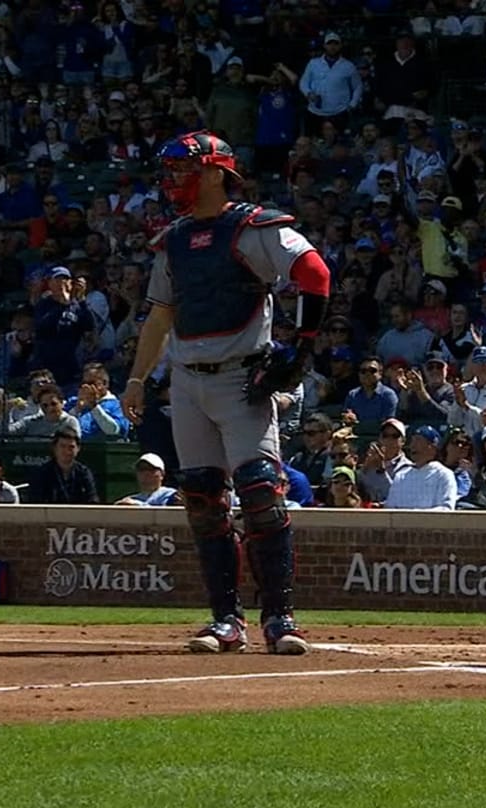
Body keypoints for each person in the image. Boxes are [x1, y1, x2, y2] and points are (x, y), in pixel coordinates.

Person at [119, 130, 332, 656]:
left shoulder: (254, 228)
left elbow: (314, 273)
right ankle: (225, 620)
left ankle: (280, 617)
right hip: (188, 380)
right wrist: (137, 377)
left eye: (182, 170)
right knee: (202, 500)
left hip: (241, 376)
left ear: (215, 171)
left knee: (261, 493)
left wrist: (301, 349)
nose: (173, 182)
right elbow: (160, 315)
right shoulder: (172, 239)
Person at [383, 425, 459, 510]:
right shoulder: (401, 476)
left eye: (418, 441)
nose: (413, 446)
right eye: (412, 441)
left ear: (432, 447)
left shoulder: (444, 475)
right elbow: (390, 507)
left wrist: (415, 515)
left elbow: (446, 508)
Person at [25, 429, 100, 504]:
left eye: (71, 447)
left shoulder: (84, 473)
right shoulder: (42, 473)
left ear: (78, 449)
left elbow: (92, 499)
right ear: (54, 448)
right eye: (62, 446)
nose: (67, 451)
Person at [117, 452, 183, 505]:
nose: (146, 473)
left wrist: (138, 505)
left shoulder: (171, 496)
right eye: (141, 469)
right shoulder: (130, 499)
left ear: (162, 474)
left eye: (151, 469)